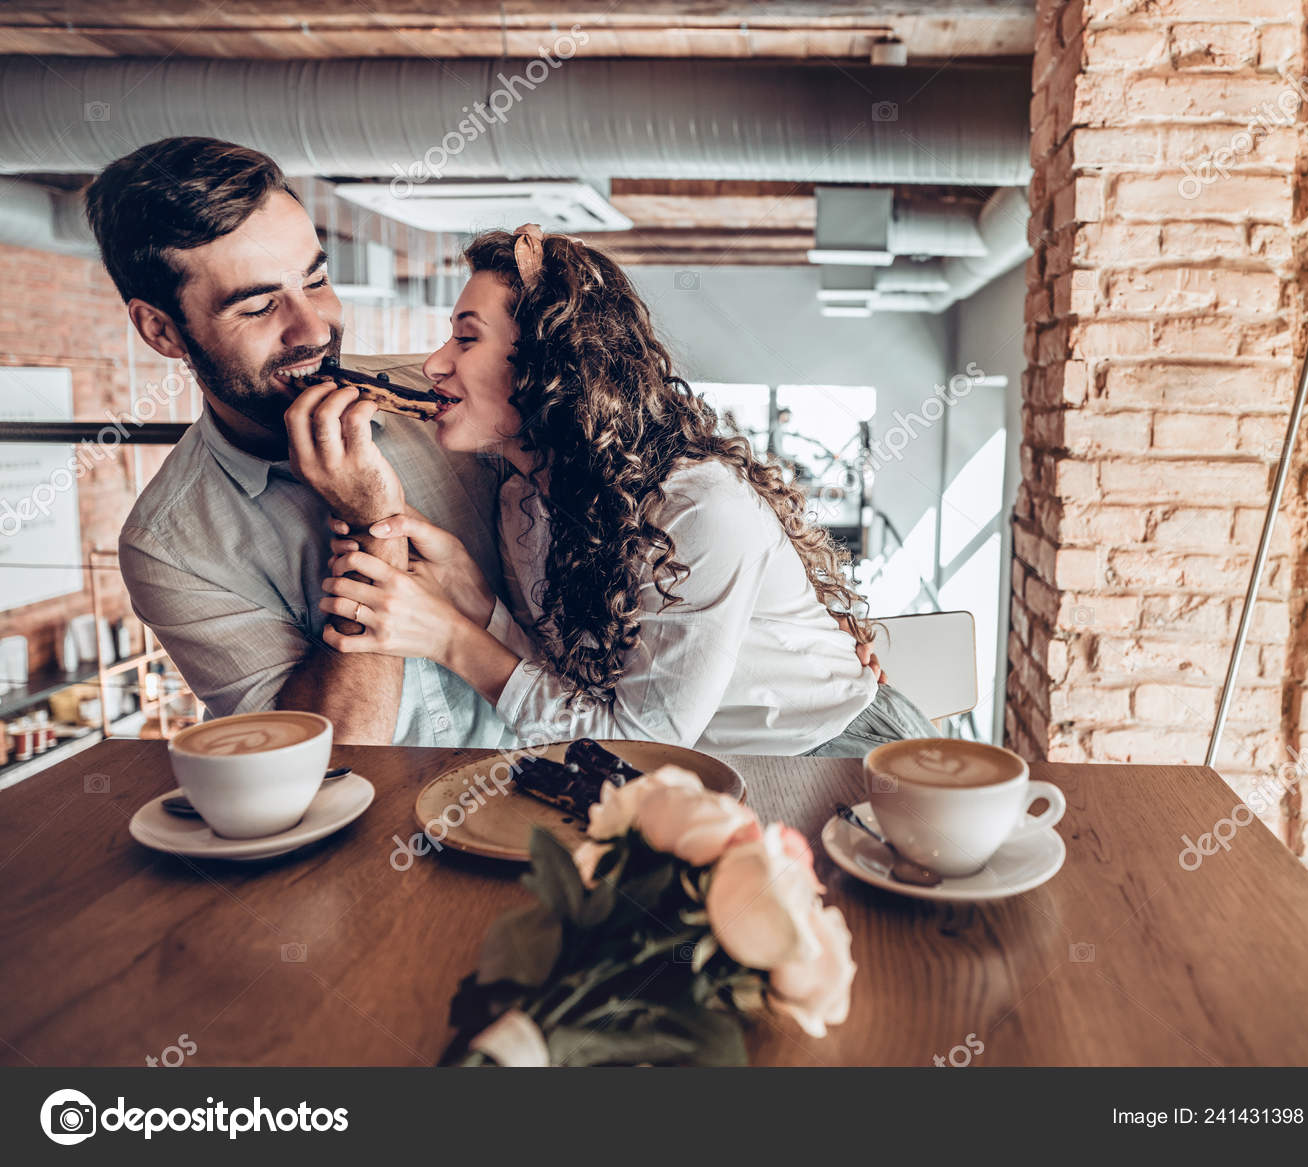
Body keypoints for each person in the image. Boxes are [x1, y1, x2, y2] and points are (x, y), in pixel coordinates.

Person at [316, 226, 936, 756]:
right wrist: (474, 600)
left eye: (466, 337)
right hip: (706, 776)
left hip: (835, 753)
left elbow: (638, 748)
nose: (433, 364)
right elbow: (573, 693)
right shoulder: (522, 502)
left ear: (547, 364)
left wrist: (451, 636)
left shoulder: (697, 509)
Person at [88, 136, 517, 746]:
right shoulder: (170, 547)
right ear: (161, 329)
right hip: (370, 837)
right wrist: (373, 526)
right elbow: (320, 756)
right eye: (260, 305)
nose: (314, 328)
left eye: (315, 280)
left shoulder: (454, 403)